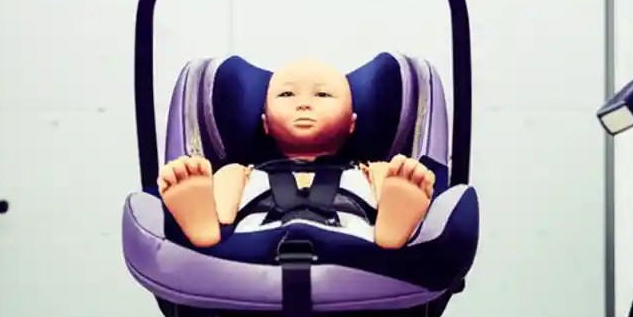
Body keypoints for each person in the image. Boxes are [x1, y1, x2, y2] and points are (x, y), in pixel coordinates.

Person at [157, 58, 435, 249]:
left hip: (354, 239)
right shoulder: (240, 173)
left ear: (352, 123)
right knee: (224, 184)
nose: (303, 104)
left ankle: (392, 229)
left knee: (394, 176)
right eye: (287, 95)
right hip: (251, 246)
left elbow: (398, 176)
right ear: (265, 122)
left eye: (323, 95)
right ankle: (205, 229)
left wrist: (401, 189)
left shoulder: (374, 171)